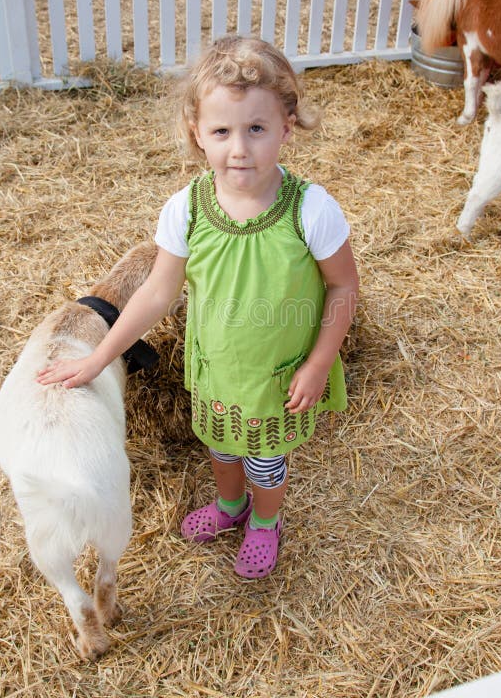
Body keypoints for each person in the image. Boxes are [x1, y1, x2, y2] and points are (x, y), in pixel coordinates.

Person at [37, 35, 359, 579]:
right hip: (217, 371)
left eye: (256, 128)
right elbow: (157, 294)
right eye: (222, 131)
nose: (239, 148)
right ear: (197, 135)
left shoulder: (311, 210)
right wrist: (97, 359)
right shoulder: (186, 208)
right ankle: (231, 505)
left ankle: (264, 520)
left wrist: (320, 362)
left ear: (286, 125)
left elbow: (343, 288)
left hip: (277, 376)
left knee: (265, 459)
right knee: (221, 446)